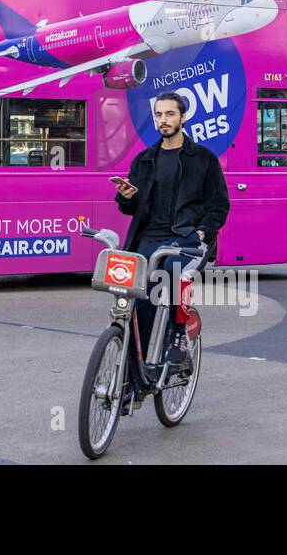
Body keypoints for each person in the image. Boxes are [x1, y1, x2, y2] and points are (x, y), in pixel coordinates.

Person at [113, 91, 229, 372]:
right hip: (147, 239)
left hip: (184, 239)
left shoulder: (203, 159)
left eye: (169, 114)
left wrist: (202, 233)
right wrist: (127, 197)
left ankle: (178, 333)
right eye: (158, 115)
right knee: (135, 302)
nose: (163, 120)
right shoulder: (144, 160)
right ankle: (134, 375)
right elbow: (130, 210)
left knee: (175, 272)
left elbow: (219, 205)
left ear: (183, 117)